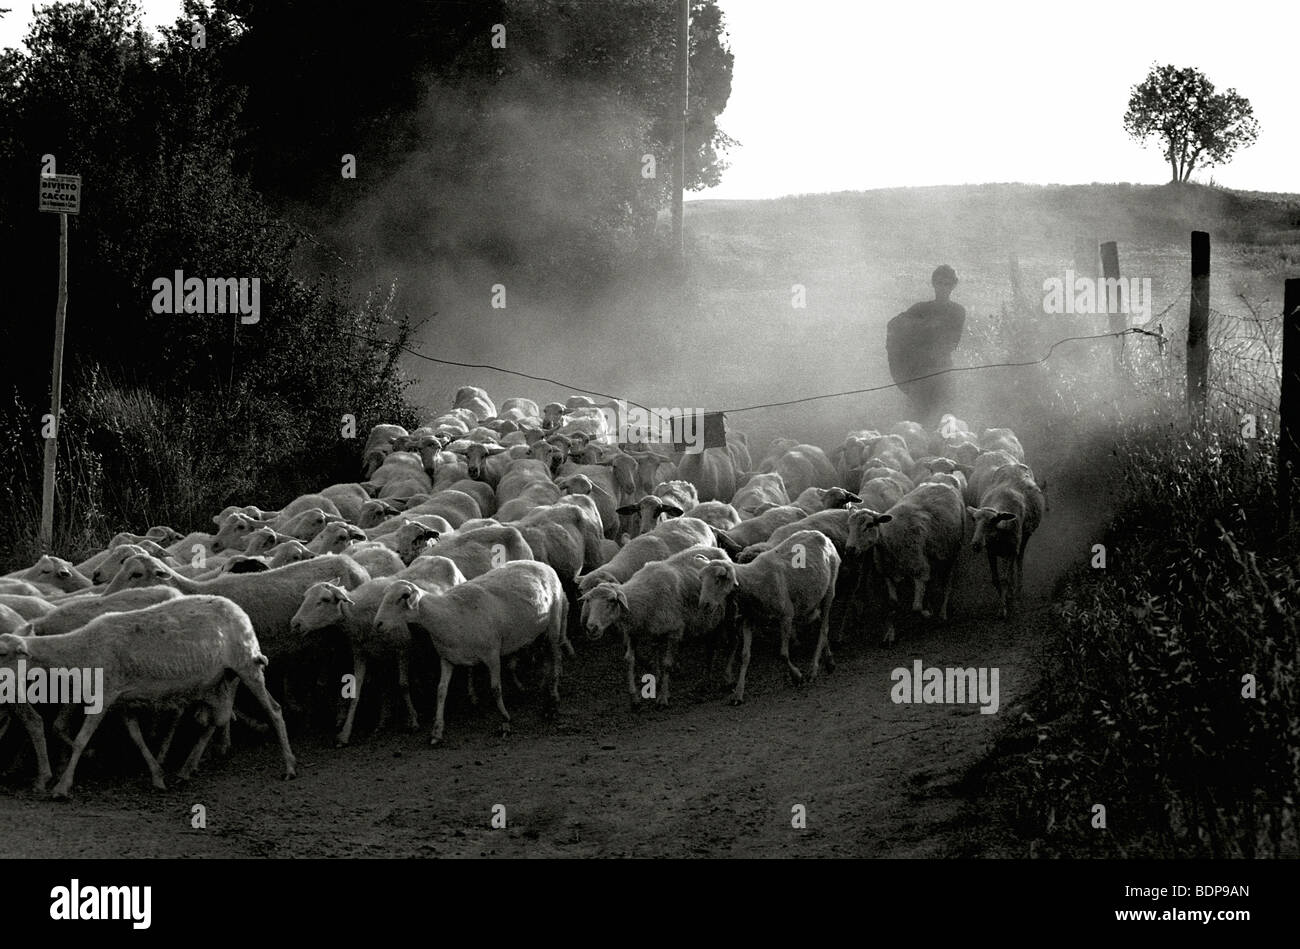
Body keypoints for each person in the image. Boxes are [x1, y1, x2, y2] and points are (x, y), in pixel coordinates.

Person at [886, 265, 966, 426]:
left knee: (946, 425)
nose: (943, 288)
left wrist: (923, 327)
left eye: (947, 284)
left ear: (953, 285)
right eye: (939, 283)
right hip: (920, 376)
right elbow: (893, 326)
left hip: (944, 375)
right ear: (933, 283)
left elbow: (952, 341)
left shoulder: (958, 311)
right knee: (914, 426)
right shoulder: (920, 309)